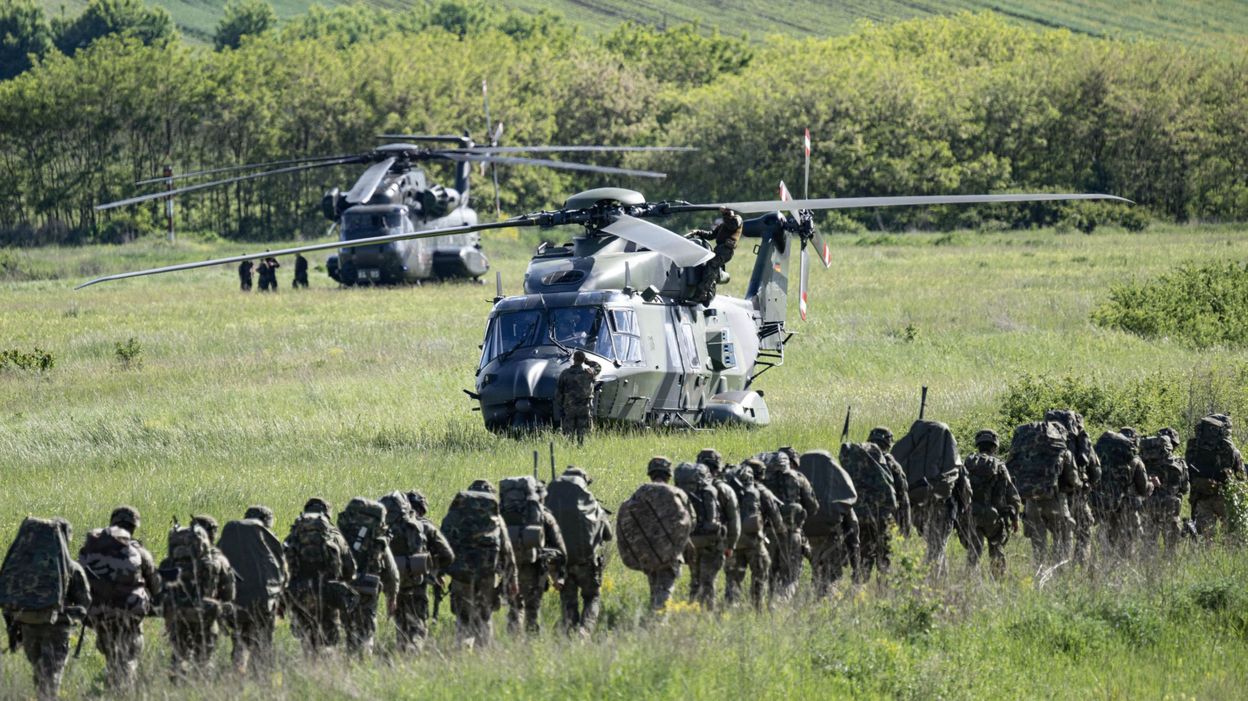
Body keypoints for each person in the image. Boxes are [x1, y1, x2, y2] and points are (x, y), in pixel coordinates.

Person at [2, 518, 91, 701]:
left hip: (27, 625)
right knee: (52, 675)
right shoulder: (72, 568)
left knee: (40, 671)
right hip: (57, 630)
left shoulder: (24, 566)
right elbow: (86, 601)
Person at [79, 506, 160, 692]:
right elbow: (155, 585)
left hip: (98, 616)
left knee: (113, 656)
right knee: (129, 658)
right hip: (129, 616)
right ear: (133, 527)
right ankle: (123, 692)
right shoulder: (139, 552)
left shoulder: (90, 549)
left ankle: (111, 686)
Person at [442, 482, 518, 649]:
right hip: (487, 574)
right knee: (484, 617)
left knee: (463, 619)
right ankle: (482, 655)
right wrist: (512, 579)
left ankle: (462, 653)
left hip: (460, 575)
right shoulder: (495, 518)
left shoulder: (455, 514)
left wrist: (441, 572)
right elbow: (507, 551)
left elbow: (443, 544)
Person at [159, 522, 235, 681]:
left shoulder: (169, 563)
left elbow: (160, 591)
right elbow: (229, 593)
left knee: (179, 656)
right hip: (206, 616)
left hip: (177, 615)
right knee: (205, 658)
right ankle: (202, 689)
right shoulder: (217, 561)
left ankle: (176, 689)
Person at [381, 491, 454, 651]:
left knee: (401, 627)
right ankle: (414, 655)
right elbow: (448, 555)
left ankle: (402, 656)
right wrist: (431, 569)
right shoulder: (424, 527)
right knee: (418, 627)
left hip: (395, 587)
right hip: (418, 584)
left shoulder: (383, 530)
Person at [284, 498, 356, 654]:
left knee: (306, 638)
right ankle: (324, 672)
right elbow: (350, 568)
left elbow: (284, 566)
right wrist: (341, 584)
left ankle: (309, 668)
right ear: (327, 514)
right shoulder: (334, 535)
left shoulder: (295, 534)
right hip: (328, 594)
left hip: (300, 593)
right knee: (329, 640)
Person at [222, 505, 286, 676]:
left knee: (239, 642)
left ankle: (236, 677)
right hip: (262, 603)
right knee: (263, 644)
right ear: (267, 521)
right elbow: (282, 572)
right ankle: (261, 681)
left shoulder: (230, 533)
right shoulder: (267, 538)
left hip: (235, 602)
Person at [548, 467, 613, 635]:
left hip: (562, 563)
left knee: (568, 602)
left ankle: (571, 635)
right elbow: (608, 535)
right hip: (586, 562)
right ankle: (584, 633)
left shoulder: (550, 503)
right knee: (592, 597)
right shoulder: (590, 501)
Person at [337, 498, 399, 656]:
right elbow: (391, 573)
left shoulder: (340, 533)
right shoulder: (378, 540)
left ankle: (346, 665)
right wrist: (391, 598)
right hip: (368, 591)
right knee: (366, 632)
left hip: (344, 589)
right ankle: (363, 662)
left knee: (347, 630)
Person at [505, 479, 567, 635]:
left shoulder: (505, 514)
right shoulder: (545, 516)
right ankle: (530, 646)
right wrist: (558, 575)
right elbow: (560, 549)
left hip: (510, 569)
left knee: (515, 607)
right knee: (532, 611)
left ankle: (512, 643)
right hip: (535, 570)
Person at [960, 430, 1022, 577]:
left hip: (971, 513)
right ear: (995, 446)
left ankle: (970, 581)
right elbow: (1012, 495)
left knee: (974, 552)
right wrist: (1015, 519)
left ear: (978, 445)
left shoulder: (968, 462)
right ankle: (998, 582)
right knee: (996, 549)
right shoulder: (999, 465)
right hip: (993, 516)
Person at [725, 459, 785, 609]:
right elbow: (775, 517)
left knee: (733, 580)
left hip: (733, 542)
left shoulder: (727, 490)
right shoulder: (760, 491)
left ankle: (731, 608)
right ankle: (757, 608)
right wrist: (781, 531)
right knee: (760, 576)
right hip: (754, 541)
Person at [762, 451, 818, 601]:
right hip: (792, 534)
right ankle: (781, 604)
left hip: (769, 534)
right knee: (790, 577)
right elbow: (813, 507)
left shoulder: (763, 481)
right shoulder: (799, 479)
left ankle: (770, 605)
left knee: (771, 575)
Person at [641, 457, 695, 612]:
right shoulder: (677, 494)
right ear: (669, 475)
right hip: (670, 552)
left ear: (650, 474)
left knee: (654, 586)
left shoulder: (640, 493)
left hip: (648, 551)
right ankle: (659, 623)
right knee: (665, 589)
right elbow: (691, 521)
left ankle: (654, 615)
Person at [689, 449, 740, 610]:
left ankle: (691, 611)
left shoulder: (689, 487)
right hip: (714, 542)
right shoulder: (724, 489)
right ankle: (706, 615)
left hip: (691, 542)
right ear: (717, 466)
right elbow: (734, 520)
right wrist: (731, 546)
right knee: (708, 581)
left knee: (695, 579)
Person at [1185, 414, 1246, 538]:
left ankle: (1205, 557)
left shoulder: (1194, 445)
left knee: (1204, 538)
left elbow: (1188, 469)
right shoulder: (1231, 449)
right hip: (1224, 497)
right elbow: (1241, 476)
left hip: (1201, 497)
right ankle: (1230, 556)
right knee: (1231, 535)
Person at [1141, 434, 1190, 549]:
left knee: (1148, 546)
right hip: (1171, 508)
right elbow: (1185, 489)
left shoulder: (1142, 463)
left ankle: (1147, 566)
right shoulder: (1178, 463)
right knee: (1172, 546)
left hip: (1147, 507)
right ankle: (1170, 565)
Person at [689, 207, 743, 305]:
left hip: (726, 250)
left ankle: (702, 293)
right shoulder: (723, 224)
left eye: (726, 212)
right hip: (719, 249)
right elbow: (711, 235)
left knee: (711, 266)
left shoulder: (737, 219)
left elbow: (732, 226)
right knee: (709, 268)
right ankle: (708, 294)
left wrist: (727, 214)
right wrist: (698, 232)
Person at [555, 350, 601, 444]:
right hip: (584, 407)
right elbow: (598, 366)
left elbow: (559, 392)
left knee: (568, 432)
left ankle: (569, 448)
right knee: (583, 432)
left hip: (569, 407)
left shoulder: (565, 374)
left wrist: (561, 405)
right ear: (583, 360)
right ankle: (581, 448)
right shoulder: (589, 373)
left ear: (573, 359)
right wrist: (587, 362)